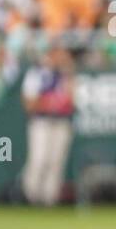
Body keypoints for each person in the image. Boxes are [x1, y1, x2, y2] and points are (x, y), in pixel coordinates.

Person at [21, 44, 75, 206]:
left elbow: (72, 99)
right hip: (42, 121)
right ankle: (30, 197)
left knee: (56, 161)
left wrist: (68, 73)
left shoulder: (64, 74)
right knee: (39, 159)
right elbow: (28, 102)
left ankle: (49, 200)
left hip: (61, 121)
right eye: (58, 53)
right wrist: (48, 102)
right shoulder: (37, 73)